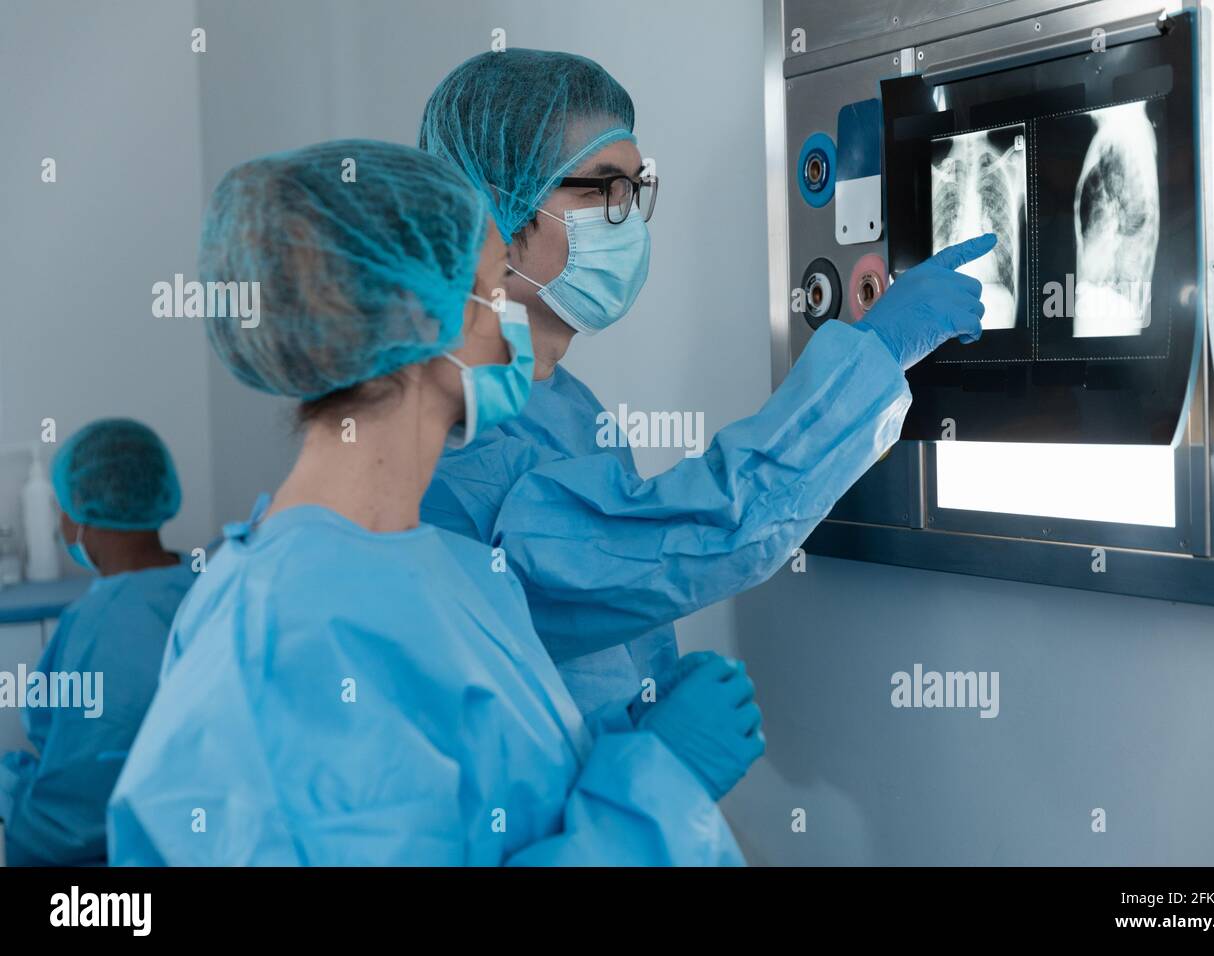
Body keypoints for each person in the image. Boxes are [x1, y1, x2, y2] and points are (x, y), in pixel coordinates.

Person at [107, 140, 760, 866]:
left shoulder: (450, 570)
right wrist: (657, 790)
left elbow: (506, 804)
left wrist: (633, 753)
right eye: (493, 286)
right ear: (424, 320)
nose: (512, 314)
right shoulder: (294, 639)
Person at [417, 49, 995, 724]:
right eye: (603, 191)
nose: (628, 221)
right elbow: (710, 528)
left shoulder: (565, 406)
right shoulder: (453, 441)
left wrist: (647, 719)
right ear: (500, 217)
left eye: (636, 191)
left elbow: (612, 612)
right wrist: (875, 354)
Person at [0, 418, 194, 866]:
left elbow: (71, 822)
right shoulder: (201, 582)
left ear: (78, 515)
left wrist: (9, 786)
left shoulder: (103, 626)